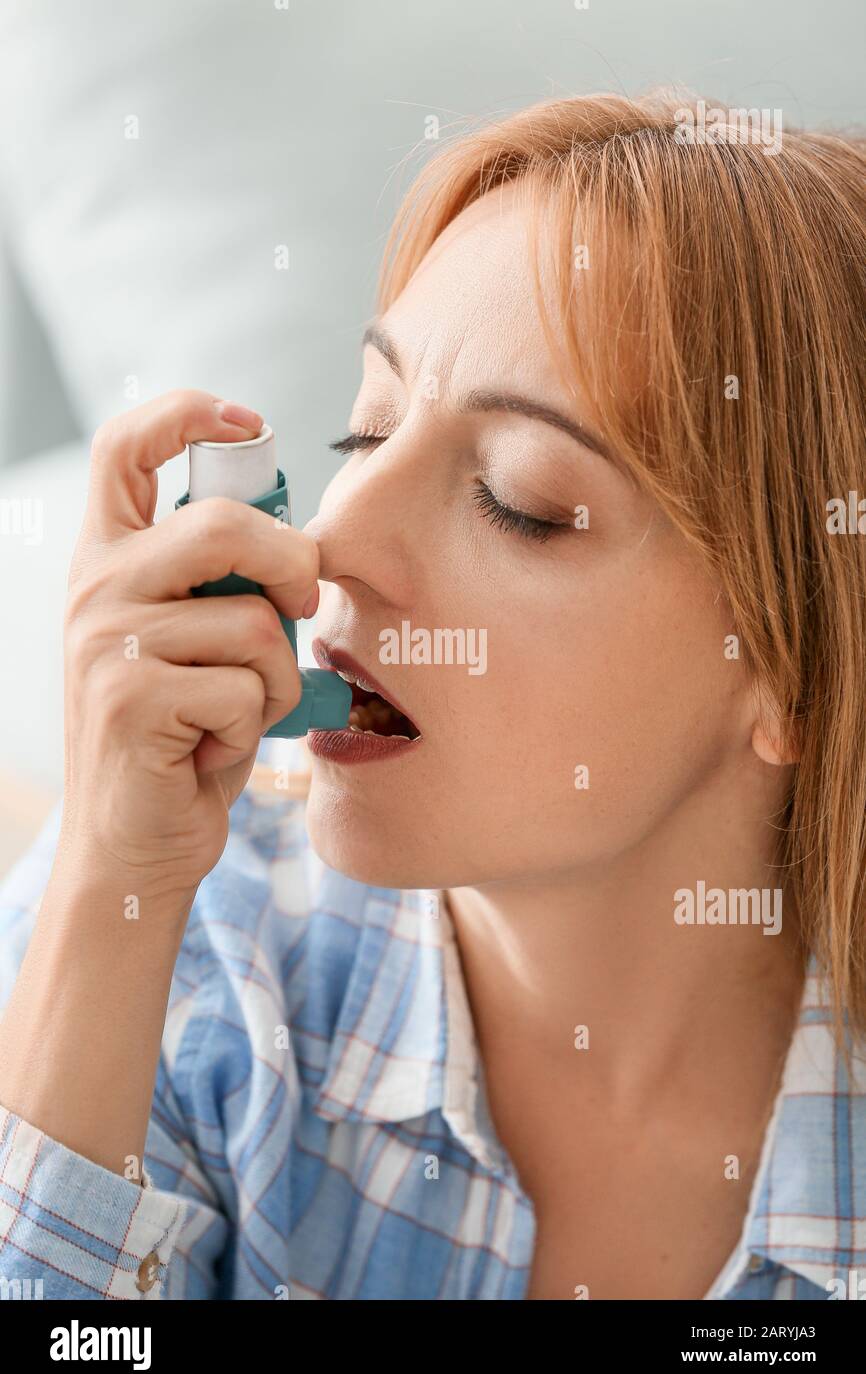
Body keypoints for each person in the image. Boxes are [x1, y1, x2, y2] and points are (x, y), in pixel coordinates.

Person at [0, 89, 864, 1301]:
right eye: (366, 431)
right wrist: (108, 882)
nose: (333, 540)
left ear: (798, 678)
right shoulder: (187, 944)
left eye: (517, 498)